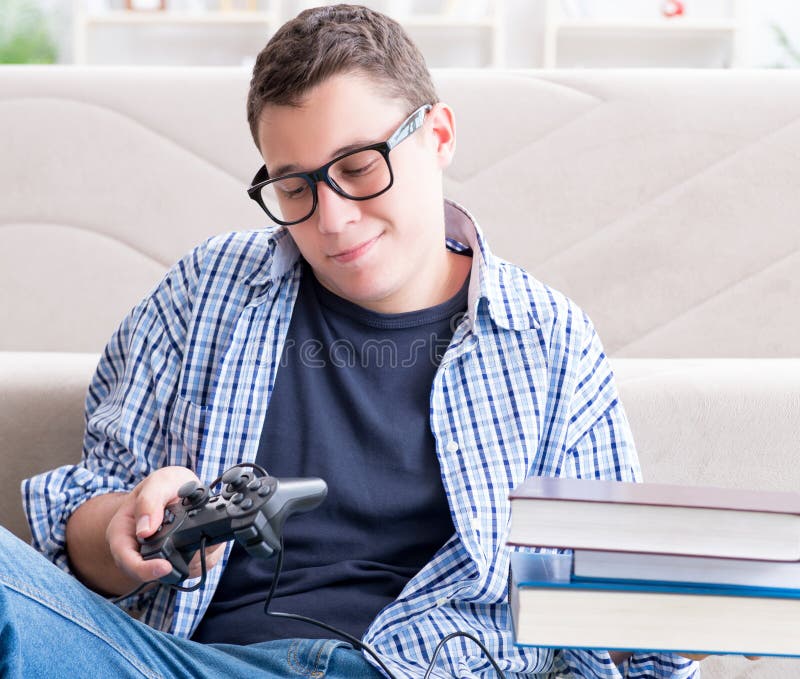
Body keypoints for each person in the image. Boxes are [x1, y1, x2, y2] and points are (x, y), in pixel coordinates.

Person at [1, 5, 704, 678]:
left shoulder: (549, 339)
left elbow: (616, 614)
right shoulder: (205, 289)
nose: (331, 219)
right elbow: (76, 528)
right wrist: (129, 526)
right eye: (294, 187)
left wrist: (682, 616)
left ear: (439, 136)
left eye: (360, 168)